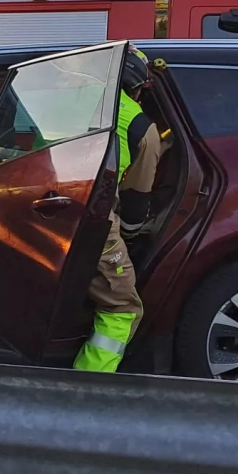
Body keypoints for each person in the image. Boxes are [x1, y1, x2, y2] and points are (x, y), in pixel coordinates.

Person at [74, 44, 162, 373]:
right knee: (123, 307)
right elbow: (138, 193)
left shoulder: (66, 100)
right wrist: (131, 235)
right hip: (92, 217)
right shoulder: (140, 126)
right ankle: (88, 384)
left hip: (45, 208)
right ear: (137, 87)